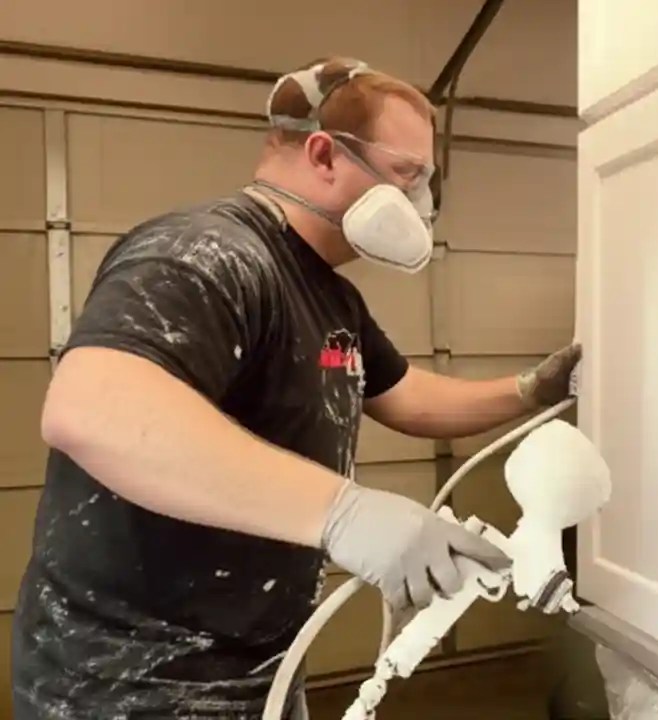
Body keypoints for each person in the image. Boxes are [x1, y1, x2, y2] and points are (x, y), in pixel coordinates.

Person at [9, 56, 581, 719]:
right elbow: (93, 409)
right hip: (132, 686)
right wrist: (344, 512)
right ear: (323, 154)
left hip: (261, 672)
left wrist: (532, 390)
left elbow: (406, 397)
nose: (422, 204)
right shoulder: (207, 254)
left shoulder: (328, 295)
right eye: (408, 176)